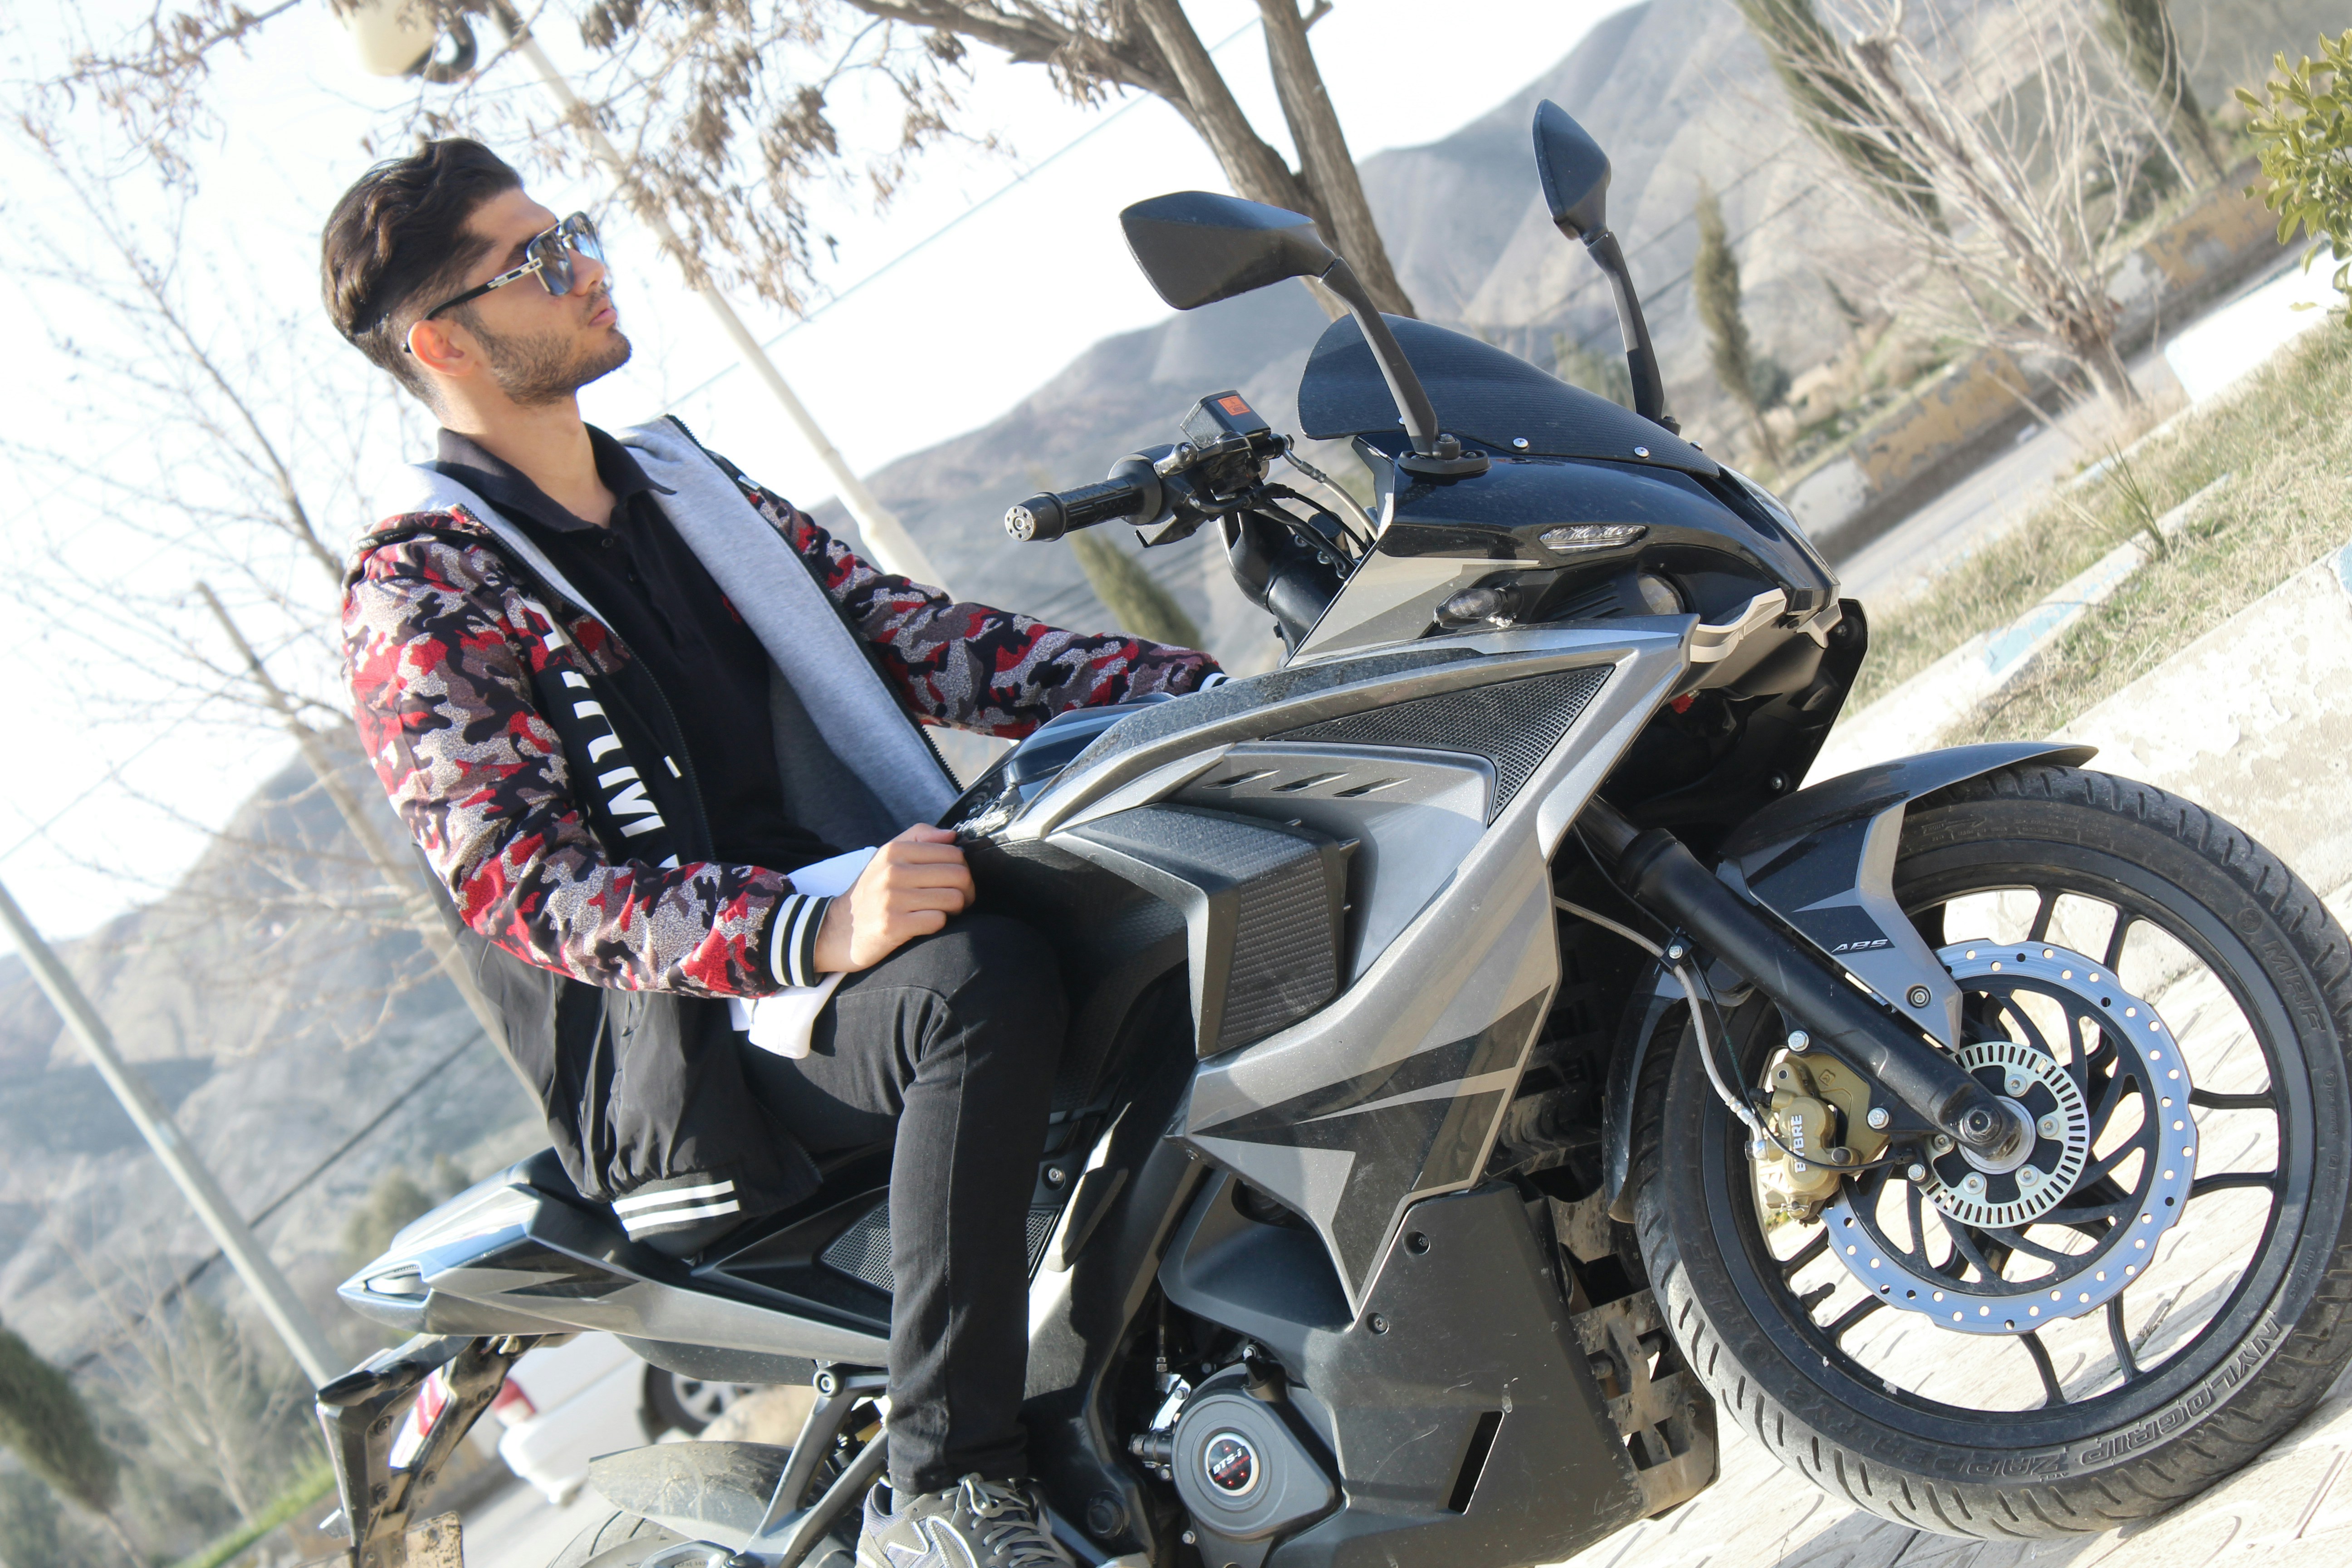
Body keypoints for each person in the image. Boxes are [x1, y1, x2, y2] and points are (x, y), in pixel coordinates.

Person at [321, 138, 1220, 1568]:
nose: (591, 271)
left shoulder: (684, 485)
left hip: (869, 923)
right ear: (444, 340)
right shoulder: (423, 581)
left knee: (1167, 889)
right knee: (976, 987)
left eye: (581, 236)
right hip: (690, 1048)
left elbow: (919, 637)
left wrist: (1200, 694)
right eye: (541, 261)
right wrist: (808, 930)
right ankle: (950, 1493)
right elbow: (520, 881)